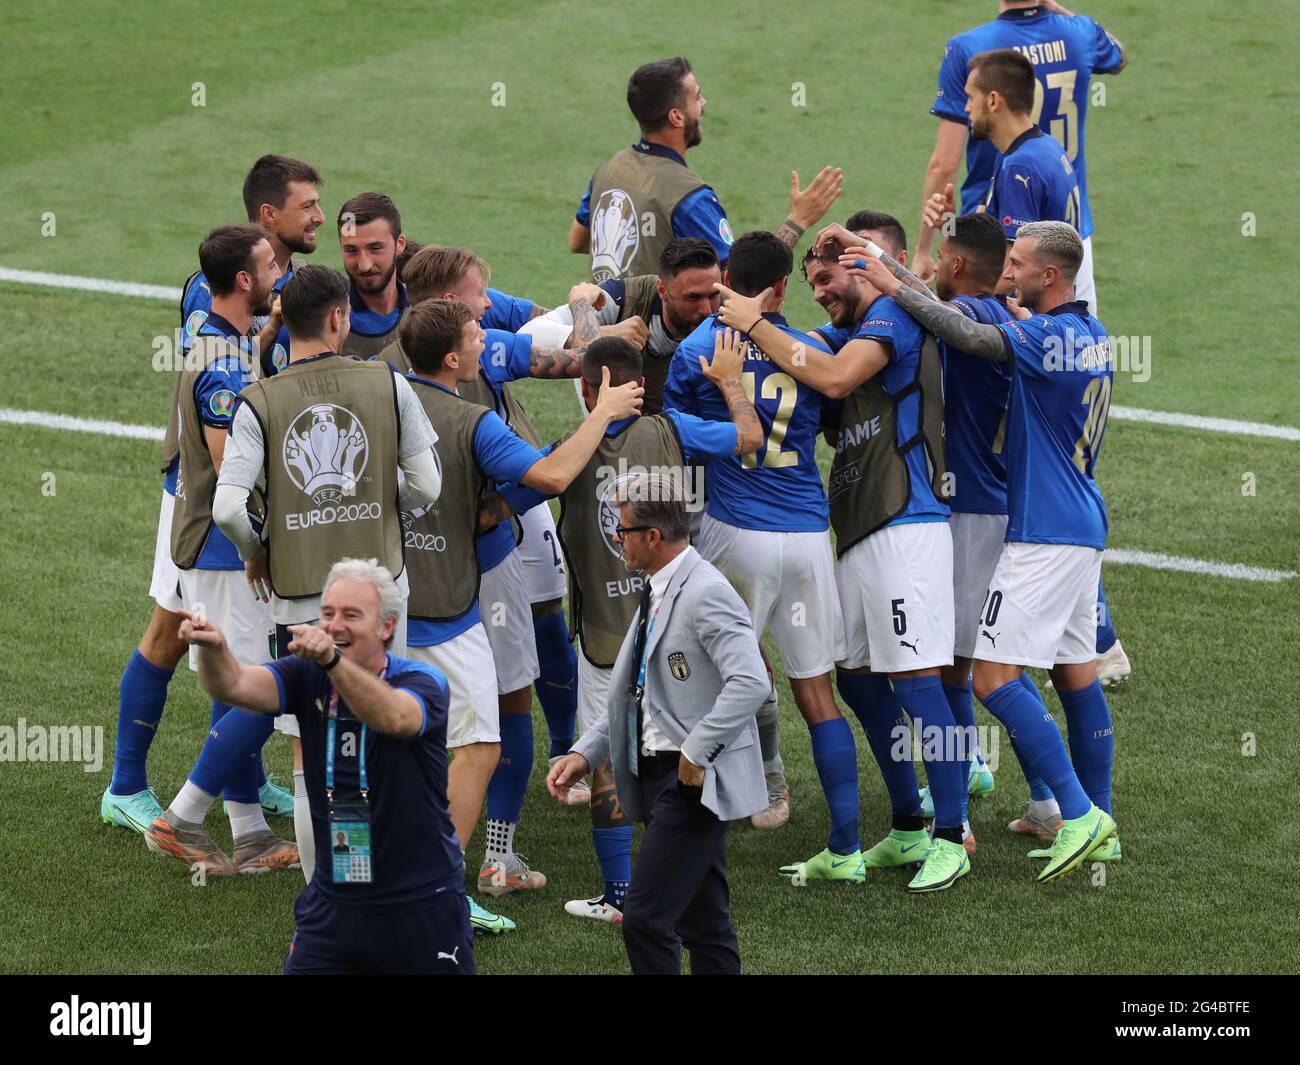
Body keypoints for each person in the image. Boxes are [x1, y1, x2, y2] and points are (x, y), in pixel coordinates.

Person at [149, 265, 442, 880]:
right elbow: (428, 485)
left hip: (301, 598)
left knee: (313, 755)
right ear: (339, 317)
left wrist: (259, 547)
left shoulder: (260, 398)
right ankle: (378, 879)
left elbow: (228, 506)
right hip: (381, 593)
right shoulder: (388, 384)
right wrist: (383, 509)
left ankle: (323, 898)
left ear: (288, 320)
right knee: (382, 733)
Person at [853, 220, 1119, 877]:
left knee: (992, 676)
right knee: (1076, 672)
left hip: (1044, 531)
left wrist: (888, 278)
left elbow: (967, 333)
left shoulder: (1041, 332)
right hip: (1084, 523)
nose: (1011, 270)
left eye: (1021, 262)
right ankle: (1098, 824)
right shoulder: (1091, 334)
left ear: (1049, 276)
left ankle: (1081, 815)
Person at [715, 213, 969, 893]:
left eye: (828, 279)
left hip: (907, 523)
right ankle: (910, 823)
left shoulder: (892, 317)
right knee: (856, 679)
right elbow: (800, 352)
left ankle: (952, 834)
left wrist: (754, 322)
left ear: (863, 265)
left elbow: (829, 378)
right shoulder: (843, 327)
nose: (820, 294)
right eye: (810, 284)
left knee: (917, 683)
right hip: (856, 527)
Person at [397, 298, 644, 931]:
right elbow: (557, 475)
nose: (486, 332)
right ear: (452, 357)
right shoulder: (471, 420)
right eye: (475, 329)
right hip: (451, 612)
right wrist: (606, 413)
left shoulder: (381, 398)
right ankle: (439, 890)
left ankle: (365, 889)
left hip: (384, 607)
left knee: (395, 749)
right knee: (481, 744)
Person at [102, 157, 321, 832]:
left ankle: (243, 804)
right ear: (267, 220)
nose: (317, 216)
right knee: (181, 635)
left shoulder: (262, 297)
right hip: (203, 503)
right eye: (307, 205)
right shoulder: (215, 298)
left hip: (216, 502)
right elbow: (223, 426)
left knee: (223, 642)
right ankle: (132, 787)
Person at [517, 333, 760, 925]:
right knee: (685, 738)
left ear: (585, 388)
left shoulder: (569, 450)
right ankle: (710, 854)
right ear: (641, 386)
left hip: (607, 634)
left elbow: (514, 490)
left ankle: (622, 893)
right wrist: (731, 382)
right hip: (677, 621)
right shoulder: (675, 430)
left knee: (612, 758)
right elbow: (749, 438)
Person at [176, 558, 473, 975]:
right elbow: (234, 685)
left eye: (352, 615)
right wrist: (214, 650)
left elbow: (394, 718)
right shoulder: (305, 675)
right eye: (329, 613)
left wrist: (334, 664)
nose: (335, 625)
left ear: (387, 627)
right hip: (335, 902)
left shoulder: (422, 682)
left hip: (419, 902)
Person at [384, 246, 598, 827]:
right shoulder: (475, 412)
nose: (487, 319)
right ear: (455, 338)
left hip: (411, 575)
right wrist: (597, 421)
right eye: (478, 313)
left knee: (405, 718)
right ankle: (491, 859)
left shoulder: (380, 381)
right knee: (500, 712)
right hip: (485, 561)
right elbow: (550, 475)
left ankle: (390, 849)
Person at [667, 231, 857, 864]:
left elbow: (674, 440)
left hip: (733, 533)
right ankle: (846, 842)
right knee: (816, 691)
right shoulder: (815, 345)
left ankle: (722, 802)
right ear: (780, 288)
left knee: (723, 675)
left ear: (726, 278)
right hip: (806, 536)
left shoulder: (697, 347)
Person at [547, 473, 769, 974]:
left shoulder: (705, 591)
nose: (615, 538)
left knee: (644, 919)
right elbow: (638, 697)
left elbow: (751, 680)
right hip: (657, 777)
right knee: (705, 923)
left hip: (689, 783)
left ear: (653, 536)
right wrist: (586, 753)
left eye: (622, 530)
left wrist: (697, 752)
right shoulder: (660, 587)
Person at [143, 224, 300, 874]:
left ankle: (250, 833)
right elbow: (227, 462)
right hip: (223, 547)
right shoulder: (223, 361)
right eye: (270, 266)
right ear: (245, 280)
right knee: (269, 690)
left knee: (237, 687)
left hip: (209, 543)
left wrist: (262, 341)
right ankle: (181, 815)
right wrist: (258, 543)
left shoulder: (223, 337)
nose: (279, 275)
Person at [913, 0, 1127, 313]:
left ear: (994, 100)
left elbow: (944, 166)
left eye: (971, 99)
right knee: (1079, 351)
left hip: (1014, 264)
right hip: (1073, 243)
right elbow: (1118, 56)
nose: (968, 108)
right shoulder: (1038, 145)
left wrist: (923, 255)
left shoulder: (967, 50)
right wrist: (950, 226)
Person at [570, 56, 843, 279]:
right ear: (676, 117)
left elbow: (579, 240)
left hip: (600, 334)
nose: (704, 104)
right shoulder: (689, 198)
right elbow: (742, 281)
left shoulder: (608, 169)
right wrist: (798, 220)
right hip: (654, 343)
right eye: (697, 98)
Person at [529, 237, 720, 416]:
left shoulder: (734, 309)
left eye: (713, 295)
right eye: (693, 297)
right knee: (591, 347)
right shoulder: (625, 298)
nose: (706, 309)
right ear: (662, 290)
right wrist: (602, 335)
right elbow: (529, 335)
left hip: (705, 435)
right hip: (625, 437)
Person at [337, 192, 408, 359]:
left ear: (400, 245)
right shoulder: (325, 322)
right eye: (351, 250)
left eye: (375, 248)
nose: (364, 265)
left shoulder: (425, 309)